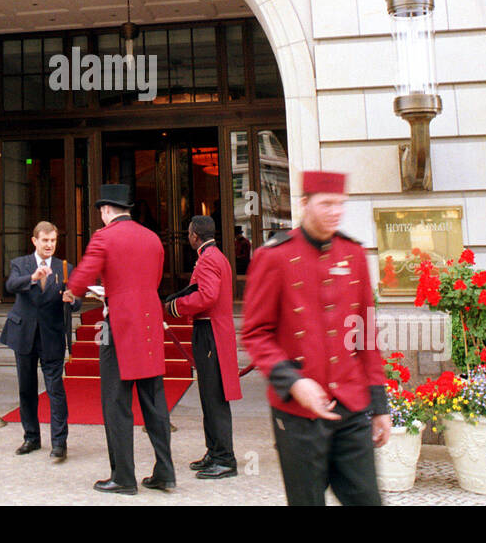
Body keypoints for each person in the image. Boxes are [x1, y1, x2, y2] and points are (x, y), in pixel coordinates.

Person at [241, 171, 390, 506]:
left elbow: (365, 333)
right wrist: (293, 381)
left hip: (351, 405)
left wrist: (379, 406)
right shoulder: (274, 256)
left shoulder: (352, 254)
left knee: (368, 499)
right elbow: (255, 333)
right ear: (305, 204)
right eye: (326, 204)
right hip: (298, 413)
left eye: (340, 204)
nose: (335, 211)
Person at [65, 183, 175, 495]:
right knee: (155, 400)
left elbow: (84, 275)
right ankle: (165, 472)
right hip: (150, 320)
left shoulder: (104, 236)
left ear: (106, 210)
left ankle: (124, 476)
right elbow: (152, 279)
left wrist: (72, 289)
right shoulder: (152, 237)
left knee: (116, 401)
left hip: (120, 324)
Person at [166, 215, 241, 479]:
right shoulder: (212, 255)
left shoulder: (208, 258)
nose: (188, 237)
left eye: (188, 233)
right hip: (212, 331)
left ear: (195, 235)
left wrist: (176, 307)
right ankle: (215, 451)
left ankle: (225, 458)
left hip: (211, 333)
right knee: (209, 398)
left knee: (214, 398)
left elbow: (206, 296)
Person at [1, 221, 81, 462]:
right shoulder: (21, 264)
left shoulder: (65, 267)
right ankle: (31, 438)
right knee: (26, 388)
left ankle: (59, 443)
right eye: (45, 241)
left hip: (51, 334)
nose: (49, 245)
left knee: (55, 389)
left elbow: (77, 300)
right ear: (35, 241)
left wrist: (72, 299)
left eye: (53, 241)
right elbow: (10, 285)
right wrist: (32, 277)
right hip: (24, 333)